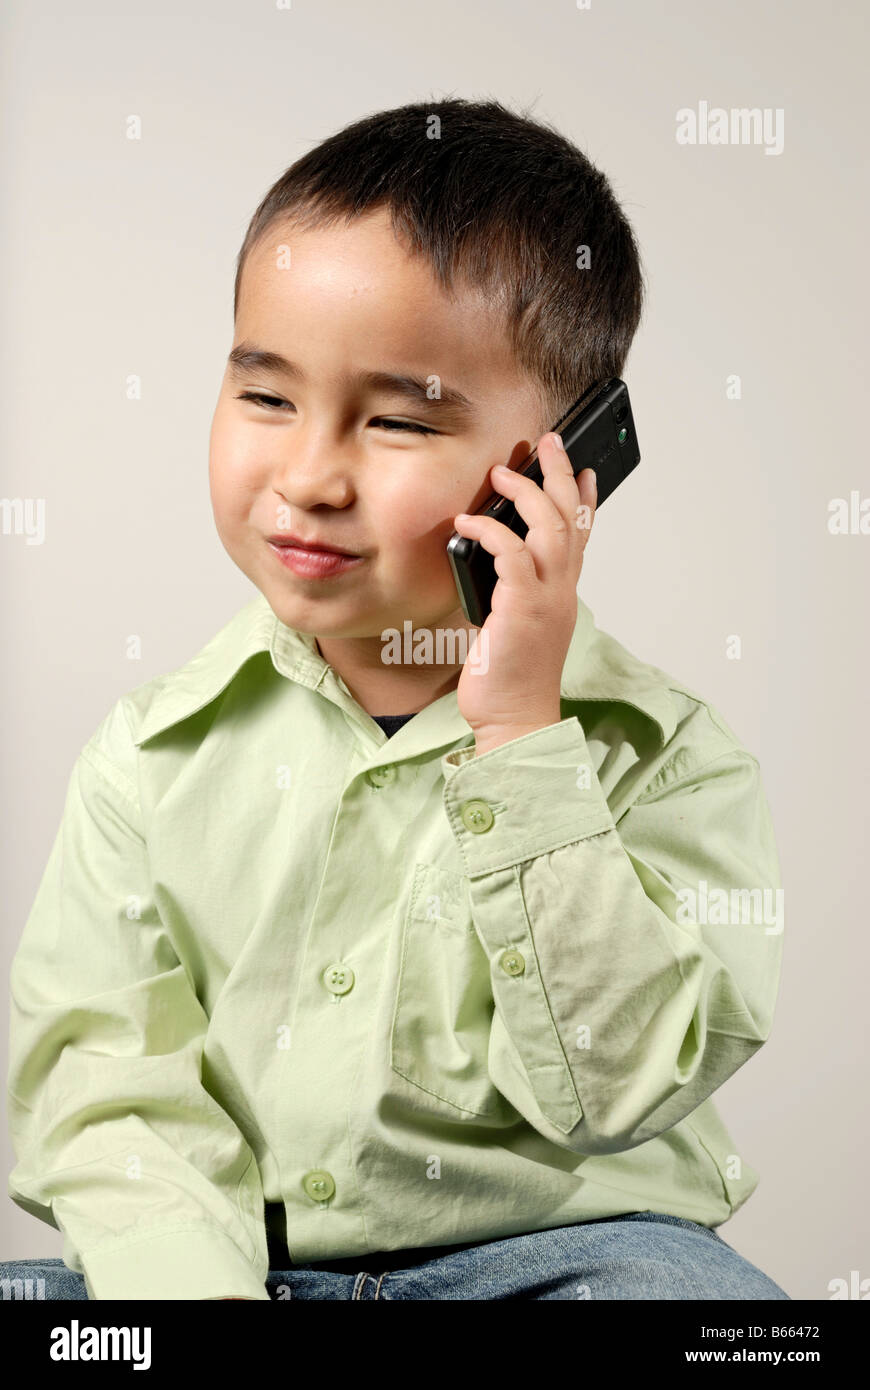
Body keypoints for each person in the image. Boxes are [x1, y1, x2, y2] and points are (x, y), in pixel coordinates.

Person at [3, 97, 789, 1301]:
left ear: (563, 467)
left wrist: (524, 735)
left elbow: (616, 1088)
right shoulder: (151, 756)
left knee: (711, 1319)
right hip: (231, 1266)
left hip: (564, 1265)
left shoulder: (668, 758)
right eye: (266, 398)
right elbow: (108, 1092)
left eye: (398, 420)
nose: (308, 477)